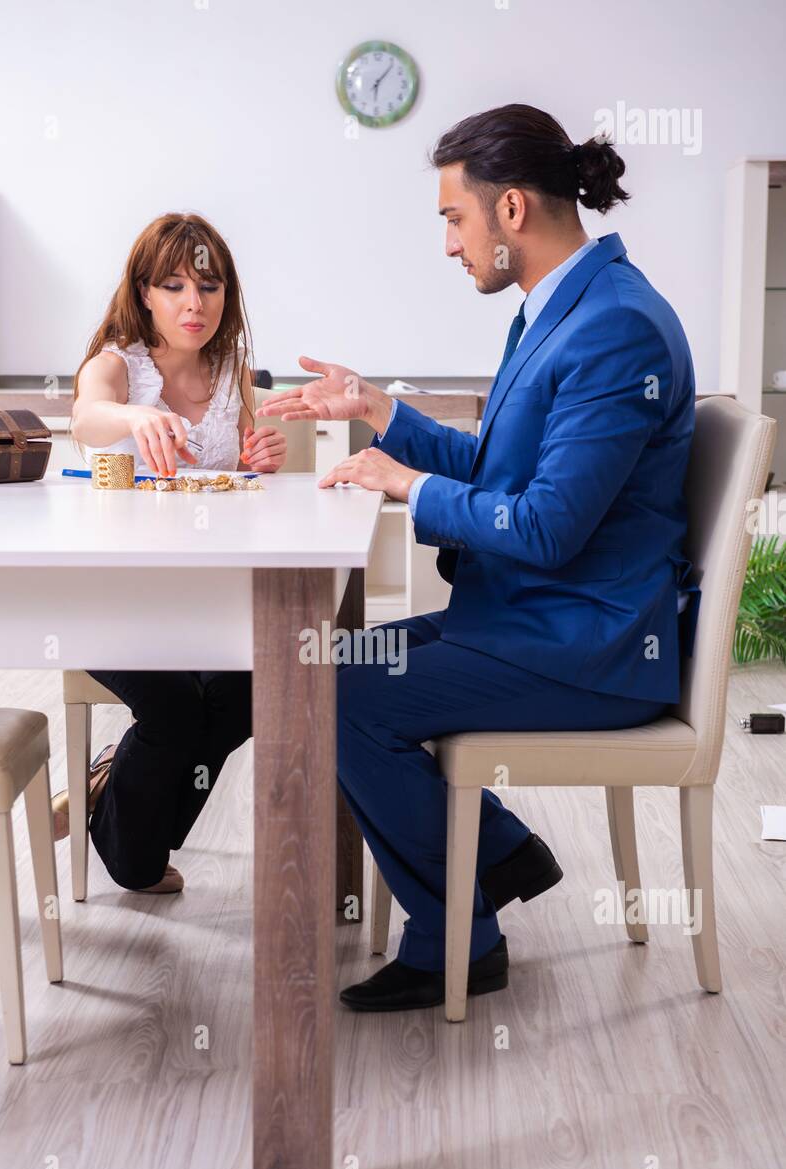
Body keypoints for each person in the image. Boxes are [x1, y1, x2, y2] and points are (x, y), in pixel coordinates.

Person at [258, 104, 699, 1011]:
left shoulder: (614, 329)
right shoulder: (563, 309)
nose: (449, 246)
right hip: (532, 622)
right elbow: (510, 472)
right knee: (328, 665)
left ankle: (463, 931)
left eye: (452, 219)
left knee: (336, 692)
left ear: (508, 212)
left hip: (590, 647)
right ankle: (497, 857)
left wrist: (403, 485)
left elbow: (544, 527)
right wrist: (381, 413)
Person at [58, 212, 286, 893]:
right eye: (175, 286)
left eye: (210, 287)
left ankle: (115, 789)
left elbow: (247, 471)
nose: (195, 304)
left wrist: (263, 453)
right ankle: (133, 853)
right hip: (106, 597)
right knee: (178, 712)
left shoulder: (232, 373)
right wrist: (134, 417)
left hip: (202, 599)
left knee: (248, 695)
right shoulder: (115, 368)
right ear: (145, 293)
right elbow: (85, 416)